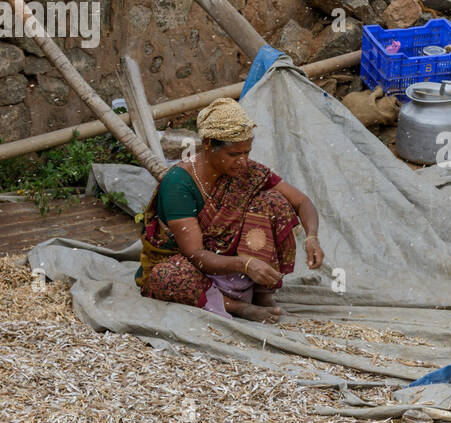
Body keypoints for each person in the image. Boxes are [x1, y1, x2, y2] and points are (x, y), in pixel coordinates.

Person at [136, 97, 324, 321]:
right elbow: (195, 254)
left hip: (233, 266)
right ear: (208, 145)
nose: (243, 161)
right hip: (191, 266)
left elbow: (301, 201)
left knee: (273, 202)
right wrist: (244, 264)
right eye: (234, 154)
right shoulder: (178, 184)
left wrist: (312, 237)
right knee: (168, 277)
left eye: (247, 153)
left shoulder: (247, 172)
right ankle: (237, 307)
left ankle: (262, 294)